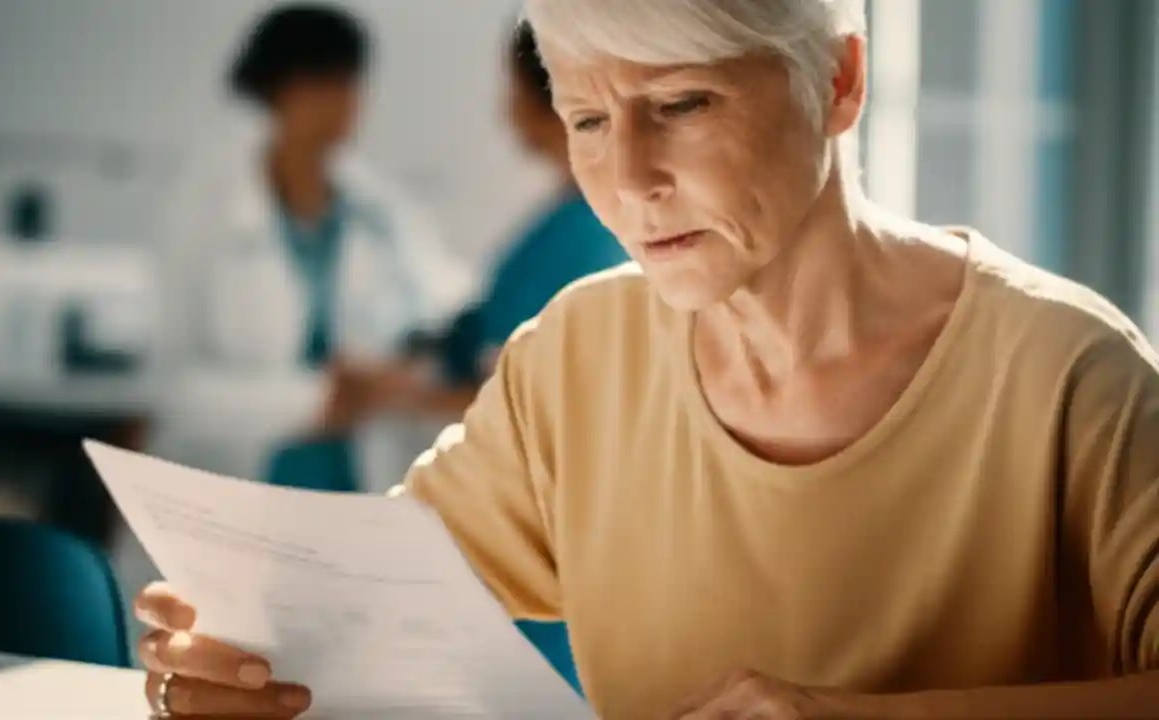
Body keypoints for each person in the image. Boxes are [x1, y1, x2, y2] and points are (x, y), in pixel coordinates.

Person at [135, 0, 1159, 717]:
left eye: (681, 105)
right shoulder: (579, 356)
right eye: (586, 120)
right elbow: (360, 606)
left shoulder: (1069, 374)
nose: (626, 180)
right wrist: (240, 651)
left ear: (837, 82)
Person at [148, 4, 470, 492]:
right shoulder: (205, 214)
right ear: (276, 92)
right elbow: (170, 387)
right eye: (321, 83)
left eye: (349, 81)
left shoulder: (380, 212)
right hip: (238, 478)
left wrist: (399, 371)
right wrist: (315, 400)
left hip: (356, 476)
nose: (341, 101)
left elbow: (441, 315)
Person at [334, 22, 628, 423]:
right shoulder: (565, 220)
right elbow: (473, 337)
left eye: (512, 86)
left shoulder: (592, 236)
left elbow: (540, 402)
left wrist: (397, 396)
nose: (505, 106)